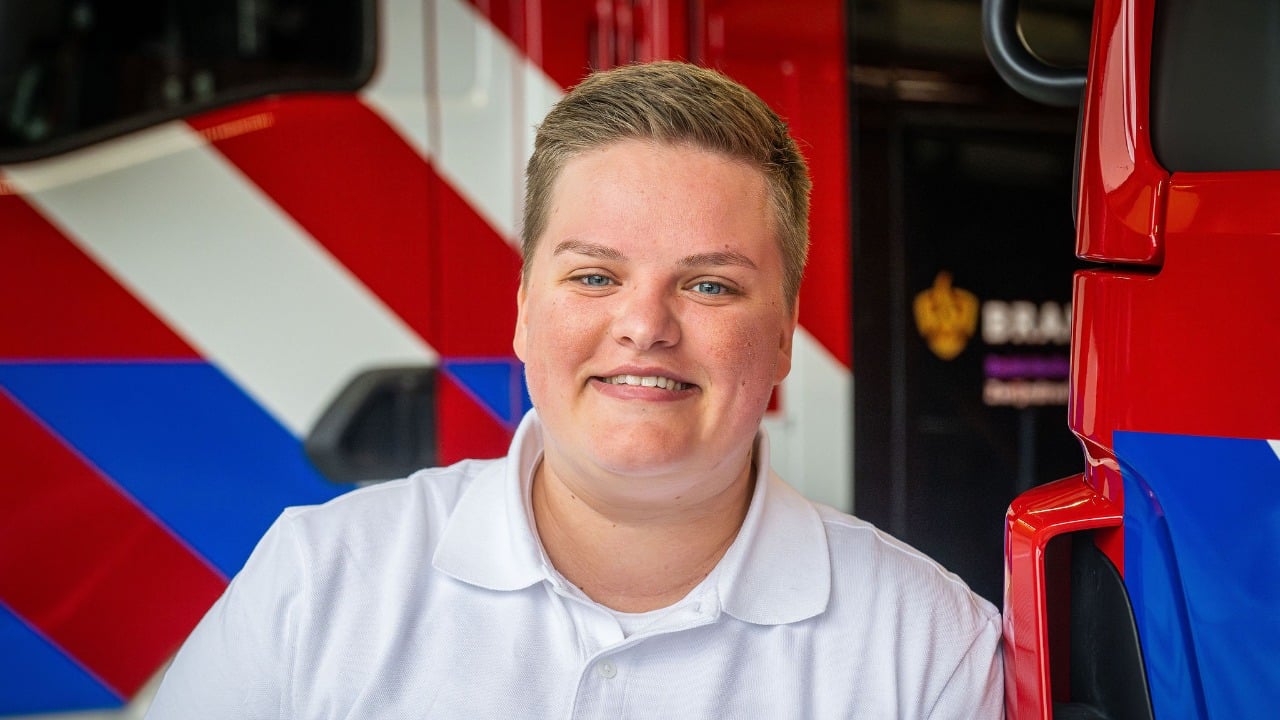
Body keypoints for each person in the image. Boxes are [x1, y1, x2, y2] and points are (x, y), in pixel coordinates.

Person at [146, 60, 1002, 718]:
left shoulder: (927, 645)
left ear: (783, 338)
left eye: (710, 285)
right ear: (523, 312)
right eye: (595, 277)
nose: (645, 325)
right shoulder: (322, 578)